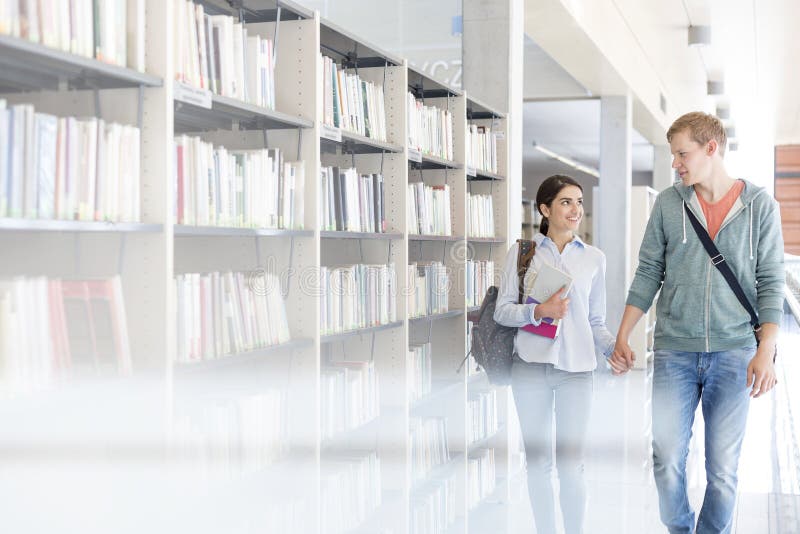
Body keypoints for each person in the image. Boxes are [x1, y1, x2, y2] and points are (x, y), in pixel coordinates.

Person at [610, 111, 785, 534]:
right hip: (675, 350)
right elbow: (649, 270)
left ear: (712, 148)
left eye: (682, 153)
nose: (676, 163)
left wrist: (765, 351)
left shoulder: (760, 205)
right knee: (666, 457)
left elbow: (771, 281)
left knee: (722, 469)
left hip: (734, 351)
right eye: (673, 155)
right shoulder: (670, 204)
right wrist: (623, 333)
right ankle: (680, 529)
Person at [494, 174, 616, 534]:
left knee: (570, 465)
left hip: (576, 373)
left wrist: (613, 347)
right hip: (529, 369)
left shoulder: (594, 259)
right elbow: (502, 311)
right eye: (566, 202)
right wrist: (538, 312)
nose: (576, 209)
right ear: (545, 209)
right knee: (538, 464)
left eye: (579, 201)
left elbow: (595, 320)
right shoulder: (522, 254)